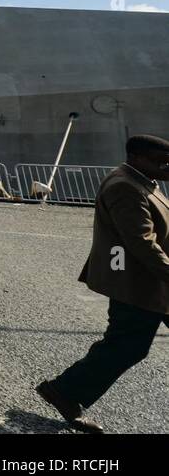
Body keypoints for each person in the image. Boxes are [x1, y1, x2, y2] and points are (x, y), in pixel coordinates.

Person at [37, 135, 169, 433]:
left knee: (127, 345)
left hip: (152, 280)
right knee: (127, 345)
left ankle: (65, 391)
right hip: (137, 283)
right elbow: (141, 242)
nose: (165, 166)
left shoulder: (142, 179)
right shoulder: (125, 185)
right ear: (135, 156)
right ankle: (65, 391)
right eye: (158, 161)